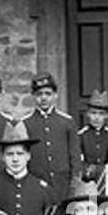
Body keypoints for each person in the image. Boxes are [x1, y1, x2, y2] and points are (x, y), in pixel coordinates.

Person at [23, 72, 83, 201]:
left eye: (48, 94)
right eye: (39, 94)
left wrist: (75, 183)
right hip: (37, 183)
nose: (43, 98)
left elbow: (75, 155)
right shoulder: (25, 123)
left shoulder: (67, 122)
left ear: (55, 95)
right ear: (33, 96)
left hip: (63, 184)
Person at [78, 89, 108, 181]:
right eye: (93, 113)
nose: (96, 117)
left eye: (101, 114)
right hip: (87, 180)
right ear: (87, 113)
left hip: (107, 179)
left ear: (106, 115)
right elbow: (78, 161)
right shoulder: (81, 136)